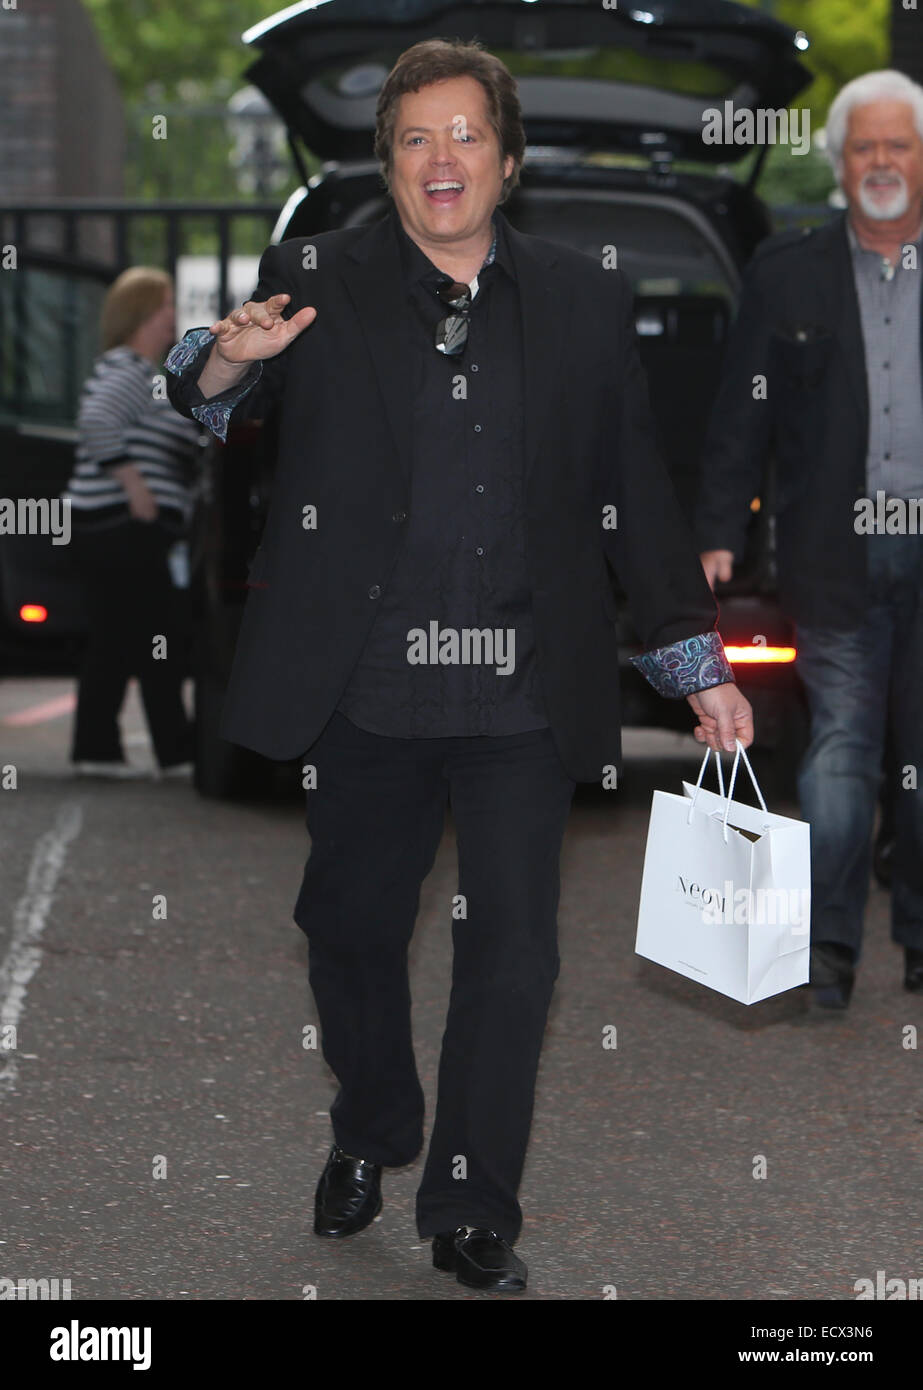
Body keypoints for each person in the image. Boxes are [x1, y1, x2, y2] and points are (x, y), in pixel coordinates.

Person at [165, 39, 752, 1292]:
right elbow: (216, 404)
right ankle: (372, 1126)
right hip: (367, 686)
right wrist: (223, 360)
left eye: (465, 134)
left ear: (507, 156)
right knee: (348, 930)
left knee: (516, 954)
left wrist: (693, 663)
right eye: (417, 137)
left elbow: (632, 492)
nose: (443, 159)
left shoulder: (580, 297)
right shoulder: (313, 275)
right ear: (387, 159)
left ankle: (472, 1202)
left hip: (522, 689)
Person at [695, 69, 923, 1010]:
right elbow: (736, 416)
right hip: (830, 555)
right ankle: (830, 947)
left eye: (897, 144)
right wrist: (716, 526)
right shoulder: (783, 275)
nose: (880, 161)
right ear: (837, 161)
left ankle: (915, 935)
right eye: (863, 145)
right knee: (838, 753)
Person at [63, 267, 201, 779]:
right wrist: (134, 485)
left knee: (130, 637)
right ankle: (162, 751)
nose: (173, 314)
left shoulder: (151, 376)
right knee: (141, 635)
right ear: (142, 313)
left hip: (126, 532)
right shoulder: (127, 369)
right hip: (118, 529)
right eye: (165, 304)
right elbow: (98, 422)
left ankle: (117, 749)